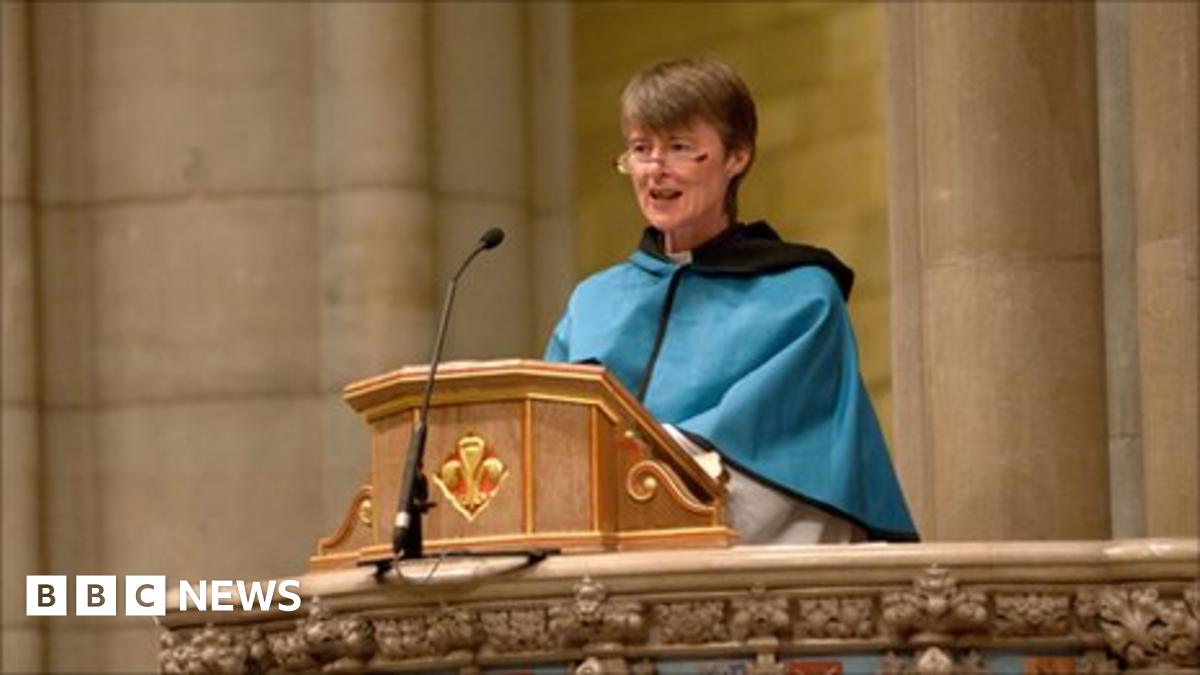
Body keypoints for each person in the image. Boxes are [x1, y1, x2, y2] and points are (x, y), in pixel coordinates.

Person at [544, 56, 917, 544]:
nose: (655, 170)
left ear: (736, 157)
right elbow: (549, 440)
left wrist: (640, 488)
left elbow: (787, 458)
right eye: (640, 149)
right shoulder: (593, 302)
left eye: (679, 147)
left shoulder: (800, 297)